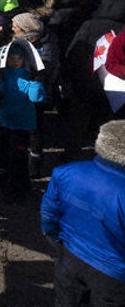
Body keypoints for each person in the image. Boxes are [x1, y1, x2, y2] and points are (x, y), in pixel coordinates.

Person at [41, 120, 125, 305]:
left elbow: (49, 215)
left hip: (70, 255)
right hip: (114, 273)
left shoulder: (65, 173)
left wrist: (57, 247)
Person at [0, 42, 47, 202]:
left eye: (19, 58)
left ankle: (19, 187)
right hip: (4, 119)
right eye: (11, 58)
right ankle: (2, 181)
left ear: (24, 59)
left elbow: (37, 98)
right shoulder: (1, 73)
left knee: (18, 157)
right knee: (0, 153)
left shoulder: (27, 75)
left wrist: (36, 81)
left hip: (22, 122)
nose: (15, 61)